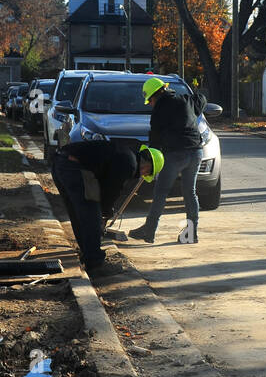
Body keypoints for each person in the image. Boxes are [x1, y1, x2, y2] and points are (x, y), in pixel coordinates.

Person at [52, 138, 162, 273]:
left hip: (60, 162)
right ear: (147, 166)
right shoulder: (129, 164)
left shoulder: (125, 155)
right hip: (76, 167)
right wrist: (104, 214)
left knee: (78, 212)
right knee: (91, 212)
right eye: (147, 173)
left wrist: (103, 212)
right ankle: (95, 263)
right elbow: (111, 191)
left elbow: (104, 186)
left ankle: (87, 253)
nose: (143, 175)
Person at [129, 76, 206, 244]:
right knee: (190, 192)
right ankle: (191, 234)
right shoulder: (186, 100)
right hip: (196, 151)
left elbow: (155, 142)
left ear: (156, 95)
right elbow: (201, 98)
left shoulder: (159, 111)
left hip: (175, 154)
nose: (149, 104)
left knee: (161, 192)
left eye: (149, 100)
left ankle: (149, 231)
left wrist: (149, 162)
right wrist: (195, 106)